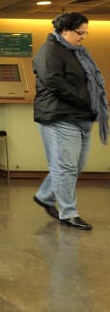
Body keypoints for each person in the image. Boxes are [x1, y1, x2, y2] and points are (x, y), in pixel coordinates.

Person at [32, 12, 108, 231]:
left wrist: (92, 102)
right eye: (79, 32)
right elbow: (54, 82)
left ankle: (45, 196)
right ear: (65, 31)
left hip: (82, 117)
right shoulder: (50, 51)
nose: (83, 37)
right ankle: (68, 213)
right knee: (65, 167)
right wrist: (86, 100)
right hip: (59, 116)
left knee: (76, 166)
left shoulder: (78, 53)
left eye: (86, 32)